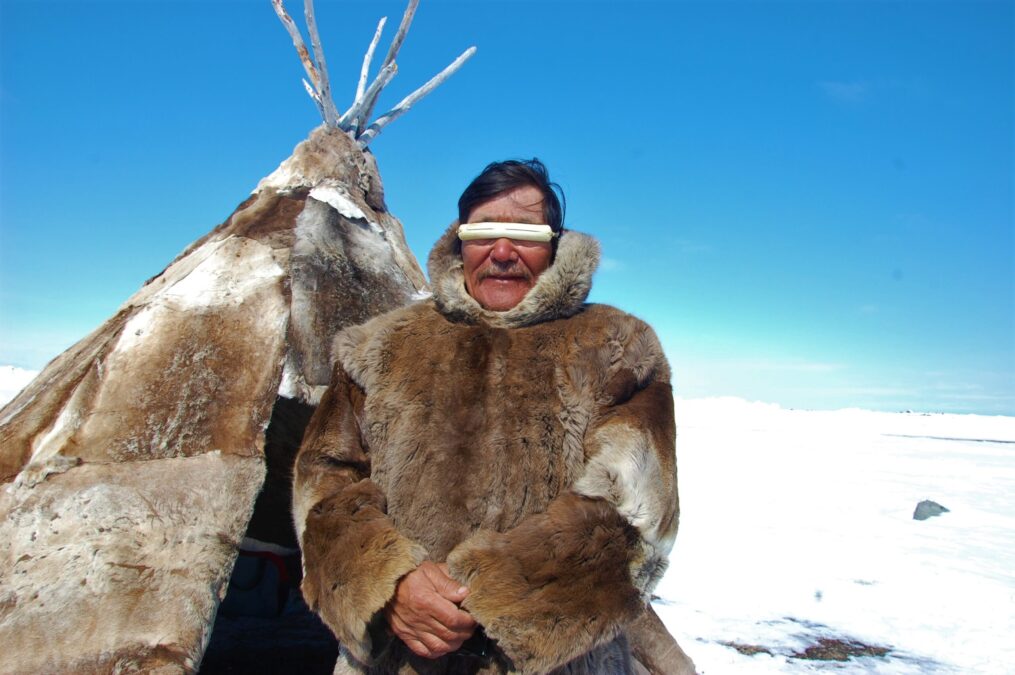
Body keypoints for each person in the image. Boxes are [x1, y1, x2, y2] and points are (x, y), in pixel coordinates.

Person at [293, 159, 693, 674]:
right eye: (484, 232)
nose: (502, 252)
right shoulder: (374, 348)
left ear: (554, 244)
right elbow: (324, 479)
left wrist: (491, 594)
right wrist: (388, 583)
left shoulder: (620, 349)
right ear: (460, 241)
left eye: (523, 233)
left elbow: (637, 512)